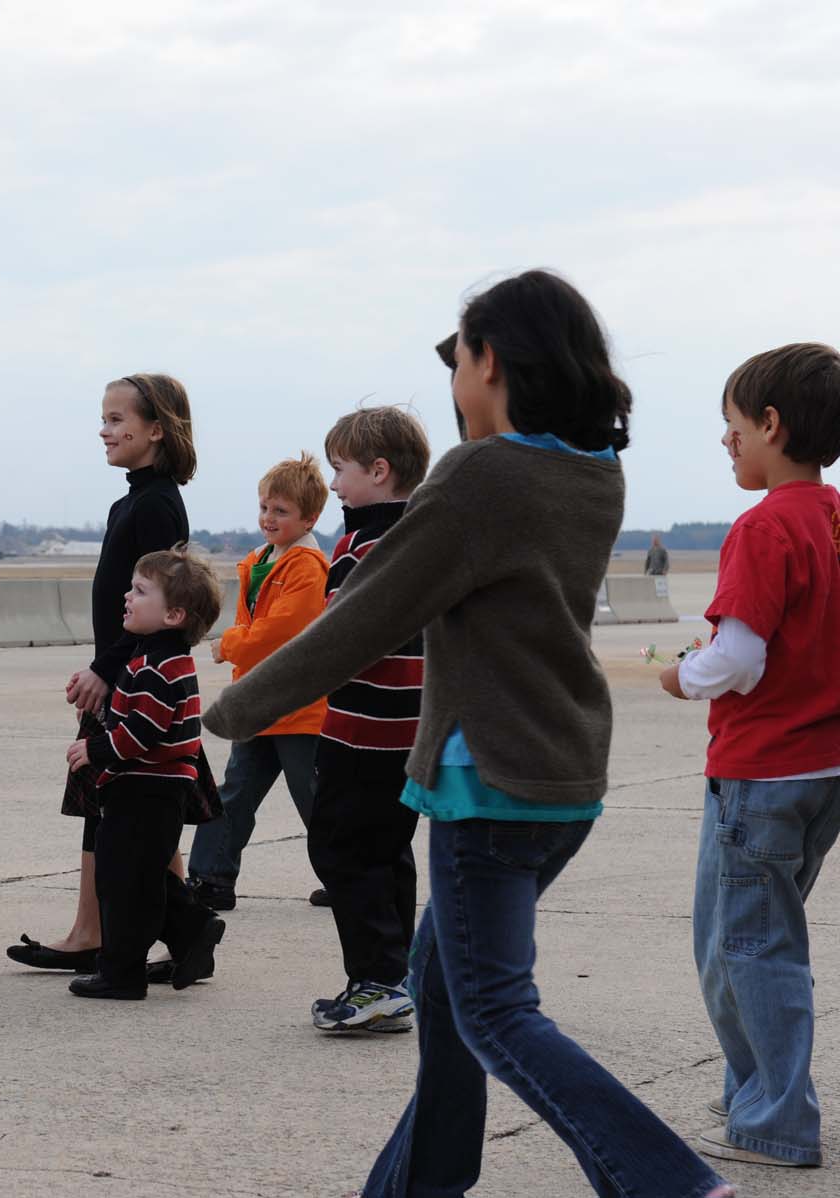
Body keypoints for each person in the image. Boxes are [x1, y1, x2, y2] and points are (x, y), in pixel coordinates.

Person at [205, 271, 732, 1198]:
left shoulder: (483, 476)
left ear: (490, 361)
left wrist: (236, 707)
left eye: (461, 359)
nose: (454, 381)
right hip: (565, 771)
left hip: (483, 776)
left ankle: (671, 1183)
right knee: (448, 1002)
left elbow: (367, 613)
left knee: (492, 1010)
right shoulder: (593, 471)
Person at [660, 341, 840, 1170]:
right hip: (823, 767)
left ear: (771, 424)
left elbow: (737, 661)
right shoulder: (831, 517)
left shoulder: (765, 525)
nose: (727, 442)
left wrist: (680, 675)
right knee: (754, 933)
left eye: (732, 426)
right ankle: (753, 1095)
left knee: (746, 943)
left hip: (763, 769)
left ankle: (773, 1117)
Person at [6, 374, 215, 976]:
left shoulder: (155, 504)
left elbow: (158, 604)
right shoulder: (133, 500)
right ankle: (180, 935)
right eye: (104, 418)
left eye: (119, 419)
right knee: (145, 811)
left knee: (123, 806)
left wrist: (107, 670)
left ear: (157, 429)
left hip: (134, 679)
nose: (106, 429)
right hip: (124, 669)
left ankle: (95, 934)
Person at [307, 407, 431, 1033]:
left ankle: (376, 980)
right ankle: (395, 974)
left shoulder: (366, 544)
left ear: (379, 472)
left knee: (341, 848)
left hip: (364, 729)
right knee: (388, 852)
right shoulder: (426, 537)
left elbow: (348, 637)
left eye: (340, 470)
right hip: (410, 730)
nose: (333, 485)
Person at [65, 545, 227, 1000]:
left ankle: (121, 972)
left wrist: (94, 750)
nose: (127, 597)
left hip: (146, 792)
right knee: (140, 875)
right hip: (144, 789)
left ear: (174, 615)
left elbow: (142, 733)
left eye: (140, 591)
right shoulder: (150, 659)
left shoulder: (159, 667)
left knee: (121, 884)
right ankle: (191, 930)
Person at [186, 454, 330, 911]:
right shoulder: (261, 561)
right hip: (258, 702)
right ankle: (211, 879)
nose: (268, 518)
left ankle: (351, 877)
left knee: (315, 801)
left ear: (309, 518)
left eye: (281, 511)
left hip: (300, 709)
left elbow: (283, 631)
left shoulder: (307, 566)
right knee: (233, 793)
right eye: (265, 507)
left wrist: (229, 644)